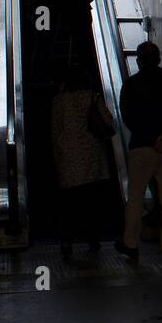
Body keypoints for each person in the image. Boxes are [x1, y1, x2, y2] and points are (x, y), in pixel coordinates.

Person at [115, 41, 162, 265]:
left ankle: (131, 246)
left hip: (142, 149)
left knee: (135, 198)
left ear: (138, 61)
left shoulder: (131, 85)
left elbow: (128, 116)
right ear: (158, 60)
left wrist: (149, 139)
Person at [49, 67, 116, 257]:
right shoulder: (92, 96)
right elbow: (108, 121)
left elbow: (55, 131)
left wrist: (56, 157)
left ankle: (67, 241)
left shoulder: (59, 101)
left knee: (69, 203)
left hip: (68, 158)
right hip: (91, 157)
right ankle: (92, 239)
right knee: (90, 201)